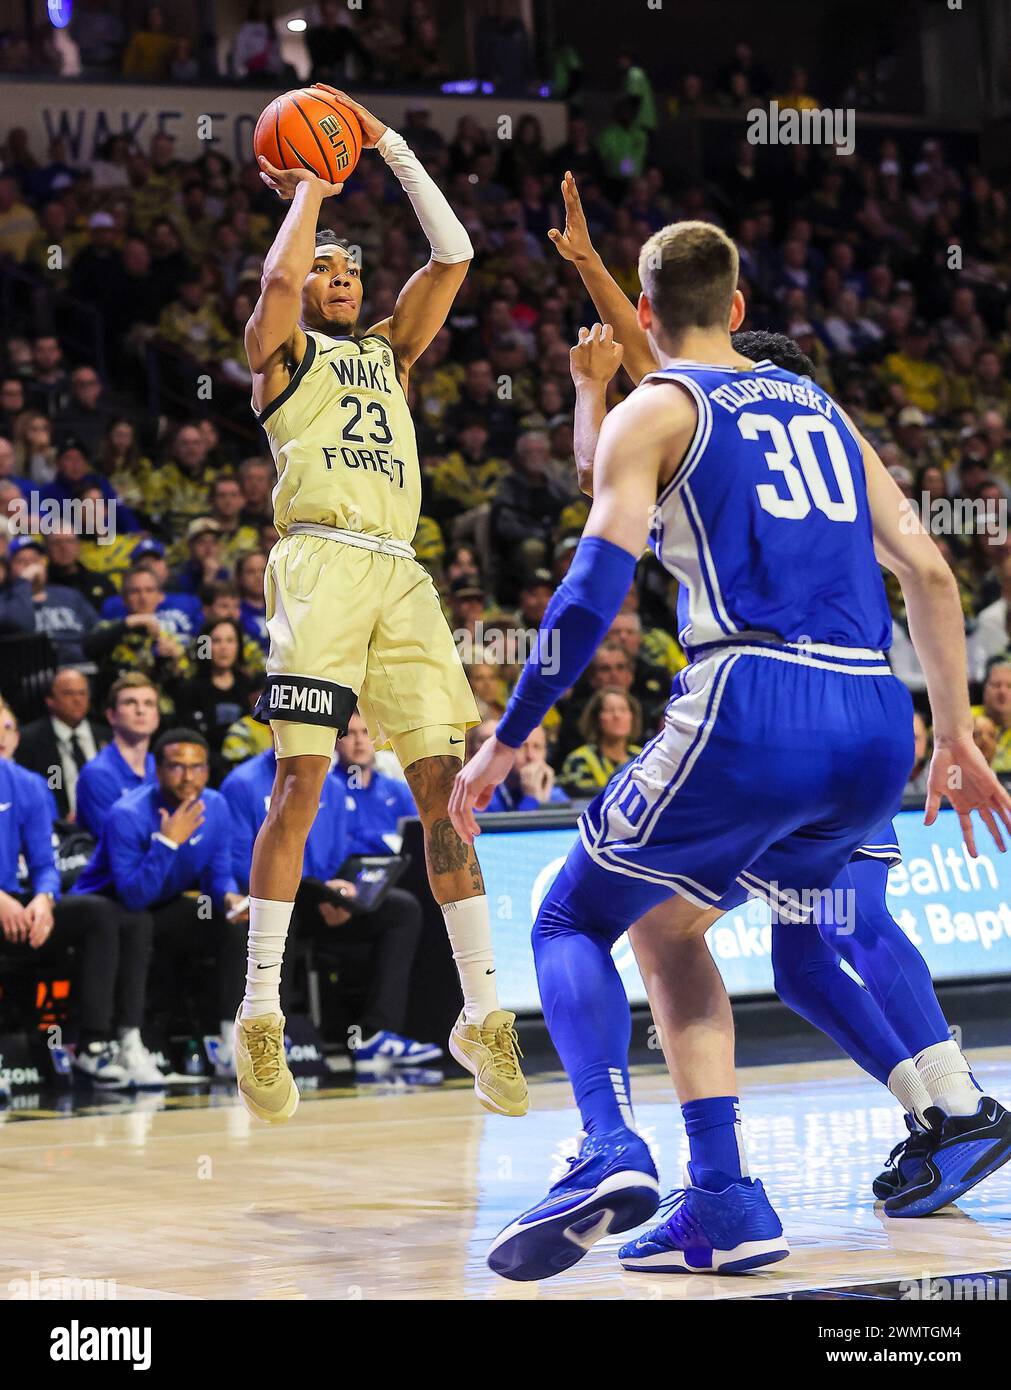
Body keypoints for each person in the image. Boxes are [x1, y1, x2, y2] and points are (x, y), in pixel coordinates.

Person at [450, 218, 1011, 1282]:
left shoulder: (657, 409)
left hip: (754, 697)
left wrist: (507, 735)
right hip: (877, 717)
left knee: (572, 912)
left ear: (647, 319)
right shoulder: (828, 413)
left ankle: (609, 1144)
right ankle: (725, 1198)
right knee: (687, 926)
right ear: (743, 311)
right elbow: (932, 575)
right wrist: (957, 733)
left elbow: (582, 600)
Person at [240, 87, 526, 1125]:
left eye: (354, 268)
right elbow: (278, 273)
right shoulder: (281, 355)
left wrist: (393, 146)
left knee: (447, 795)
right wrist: (313, 184)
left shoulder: (393, 355)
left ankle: (483, 1013)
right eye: (332, 267)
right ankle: (261, 1009)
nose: (344, 276)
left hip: (400, 569)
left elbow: (451, 259)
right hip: (317, 564)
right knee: (301, 783)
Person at [221, 746, 440, 1068]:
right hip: (267, 898)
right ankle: (264, 1032)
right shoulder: (242, 783)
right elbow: (238, 861)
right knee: (286, 901)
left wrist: (344, 893)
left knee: (400, 908)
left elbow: (337, 856)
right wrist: (318, 891)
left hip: (321, 898)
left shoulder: (334, 787)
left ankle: (375, 1035)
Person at [0, 704, 156, 1087]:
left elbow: (44, 863)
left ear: (18, 736)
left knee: (104, 912)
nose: (1, 736)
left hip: (20, 904)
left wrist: (45, 899)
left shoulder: (29, 784)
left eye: (7, 727)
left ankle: (96, 1044)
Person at [73, 729, 247, 1051]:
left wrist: (229, 897)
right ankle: (128, 1043)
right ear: (158, 769)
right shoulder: (127, 813)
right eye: (177, 766)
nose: (188, 777)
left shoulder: (216, 806)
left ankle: (231, 1041)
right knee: (137, 920)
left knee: (234, 922)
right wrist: (167, 843)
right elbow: (133, 895)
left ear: (208, 771)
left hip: (162, 905)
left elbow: (218, 873)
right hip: (110, 906)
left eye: (197, 768)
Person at [15, 667, 109, 819]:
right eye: (69, 693)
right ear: (50, 700)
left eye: (82, 693)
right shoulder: (29, 740)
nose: (77, 700)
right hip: (58, 826)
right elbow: (35, 789)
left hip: (105, 823)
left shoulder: (107, 736)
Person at [75, 674, 160, 837]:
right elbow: (117, 841)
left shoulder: (160, 767)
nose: (140, 710)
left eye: (148, 704)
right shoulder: (97, 774)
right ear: (111, 715)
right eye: (130, 702)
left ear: (157, 716)